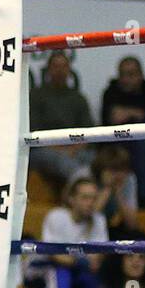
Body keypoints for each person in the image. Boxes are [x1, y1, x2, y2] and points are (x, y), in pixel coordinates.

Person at [36, 177, 106, 288]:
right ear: (71, 199)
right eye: (85, 198)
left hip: (77, 269)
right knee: (60, 272)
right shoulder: (56, 217)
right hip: (43, 267)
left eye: (94, 198)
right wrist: (80, 261)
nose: (90, 202)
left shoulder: (98, 220)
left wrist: (86, 262)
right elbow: (52, 254)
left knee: (93, 277)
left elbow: (97, 256)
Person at [100, 56, 145, 204]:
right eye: (122, 74)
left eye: (130, 74)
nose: (126, 79)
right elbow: (107, 122)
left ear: (141, 74)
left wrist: (131, 113)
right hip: (118, 141)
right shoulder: (111, 93)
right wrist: (140, 115)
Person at [27, 50, 94, 193]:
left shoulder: (78, 98)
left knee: (95, 160)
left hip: (73, 149)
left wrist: (71, 149)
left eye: (64, 66)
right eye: (56, 66)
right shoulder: (36, 96)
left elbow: (89, 132)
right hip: (42, 149)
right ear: (48, 69)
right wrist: (61, 150)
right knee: (62, 161)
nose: (60, 70)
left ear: (70, 70)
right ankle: (80, 199)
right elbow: (33, 132)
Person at [88, 145, 140, 232]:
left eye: (123, 170)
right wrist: (107, 188)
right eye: (114, 170)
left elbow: (132, 224)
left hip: (110, 228)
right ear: (102, 169)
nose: (120, 175)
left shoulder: (129, 178)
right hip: (85, 229)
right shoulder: (86, 175)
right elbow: (86, 220)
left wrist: (118, 194)